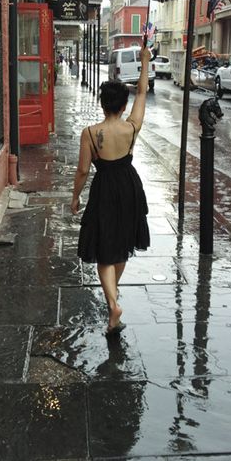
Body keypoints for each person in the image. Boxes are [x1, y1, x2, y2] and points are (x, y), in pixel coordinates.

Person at [71, 45, 151, 334]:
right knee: (120, 248)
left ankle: (114, 304)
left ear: (102, 104)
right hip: (130, 186)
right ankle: (113, 299)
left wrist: (75, 196)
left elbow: (82, 170)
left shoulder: (90, 134)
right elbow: (142, 93)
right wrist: (144, 61)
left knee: (104, 251)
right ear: (122, 106)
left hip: (104, 188)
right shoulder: (131, 127)